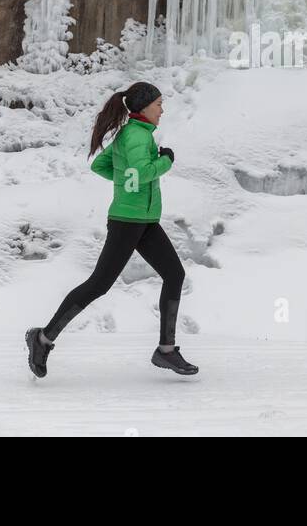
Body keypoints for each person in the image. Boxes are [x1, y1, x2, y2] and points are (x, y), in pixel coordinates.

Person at [25, 81, 198, 377]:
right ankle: (42, 338)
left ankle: (166, 351)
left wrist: (125, 184)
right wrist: (166, 160)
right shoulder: (135, 136)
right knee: (99, 284)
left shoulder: (133, 134)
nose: (162, 109)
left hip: (143, 221)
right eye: (158, 104)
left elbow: (102, 166)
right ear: (144, 107)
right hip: (127, 222)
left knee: (174, 274)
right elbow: (142, 172)